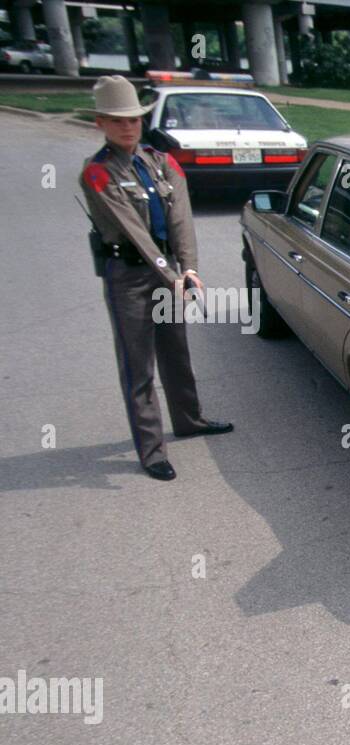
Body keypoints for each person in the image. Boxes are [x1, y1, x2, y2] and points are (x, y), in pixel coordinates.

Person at [80, 75, 232, 481]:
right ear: (100, 124)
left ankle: (189, 419)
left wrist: (190, 268)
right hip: (129, 276)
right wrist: (172, 276)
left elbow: (181, 216)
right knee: (138, 363)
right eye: (117, 120)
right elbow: (134, 231)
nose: (128, 127)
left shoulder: (161, 160)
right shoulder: (97, 174)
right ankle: (151, 451)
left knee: (176, 352)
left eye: (133, 119)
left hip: (168, 275)